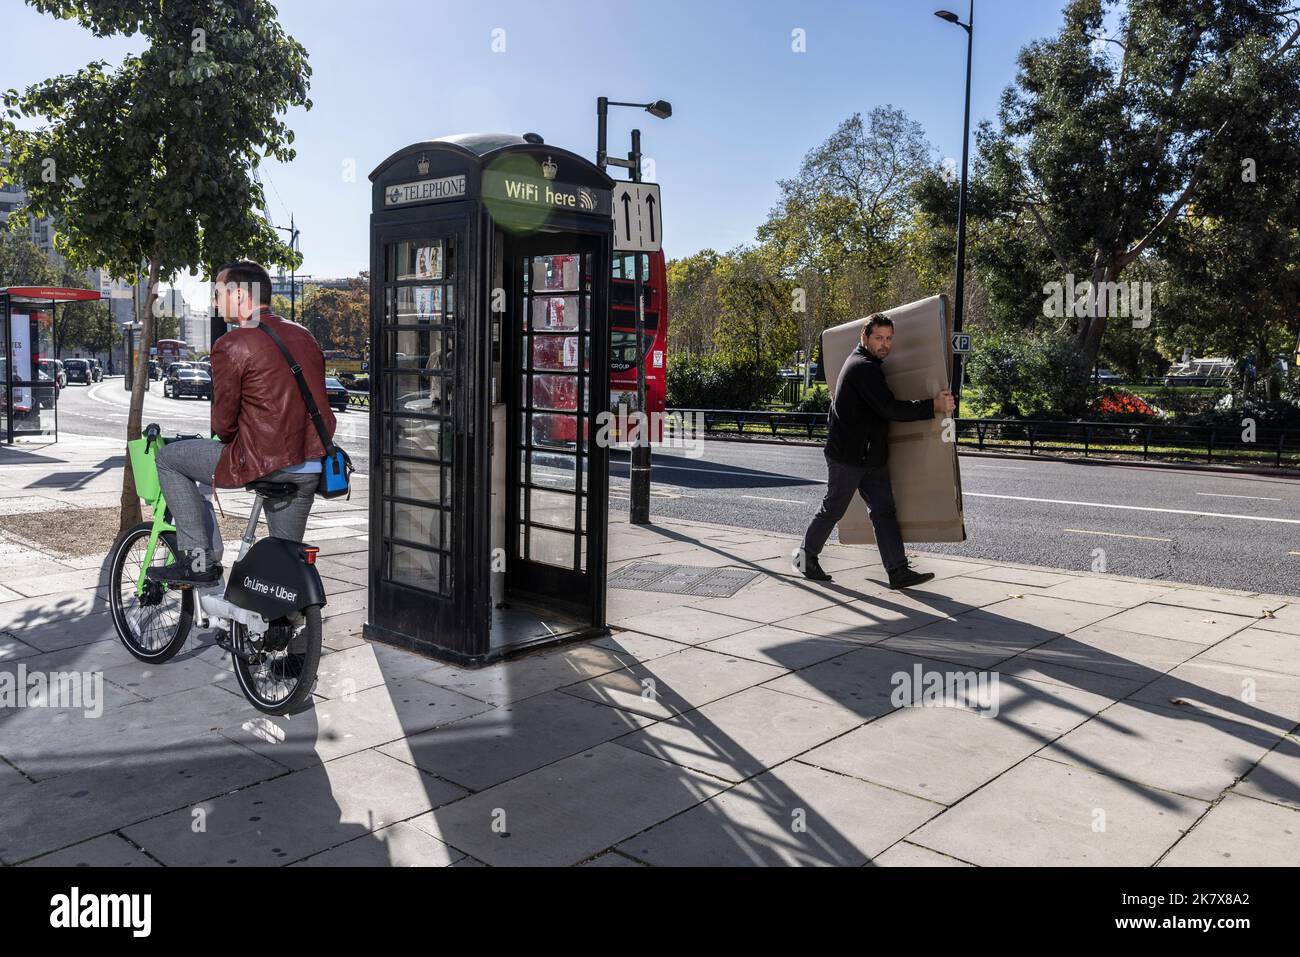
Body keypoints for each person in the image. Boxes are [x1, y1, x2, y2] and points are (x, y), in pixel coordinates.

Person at [148, 260, 337, 586]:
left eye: (219, 293)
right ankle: (280, 627)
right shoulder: (304, 336)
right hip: (311, 466)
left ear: (239, 294)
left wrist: (232, 438)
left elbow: (223, 424)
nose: (215, 302)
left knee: (168, 459)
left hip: (262, 460)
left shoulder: (232, 344)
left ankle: (196, 562)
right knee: (287, 561)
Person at [792, 313, 956, 589]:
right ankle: (805, 557)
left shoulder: (870, 364)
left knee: (884, 511)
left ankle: (897, 570)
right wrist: (933, 406)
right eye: (879, 338)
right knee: (833, 508)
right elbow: (888, 408)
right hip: (849, 456)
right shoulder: (862, 367)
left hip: (871, 456)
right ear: (864, 337)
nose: (885, 344)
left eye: (889, 338)